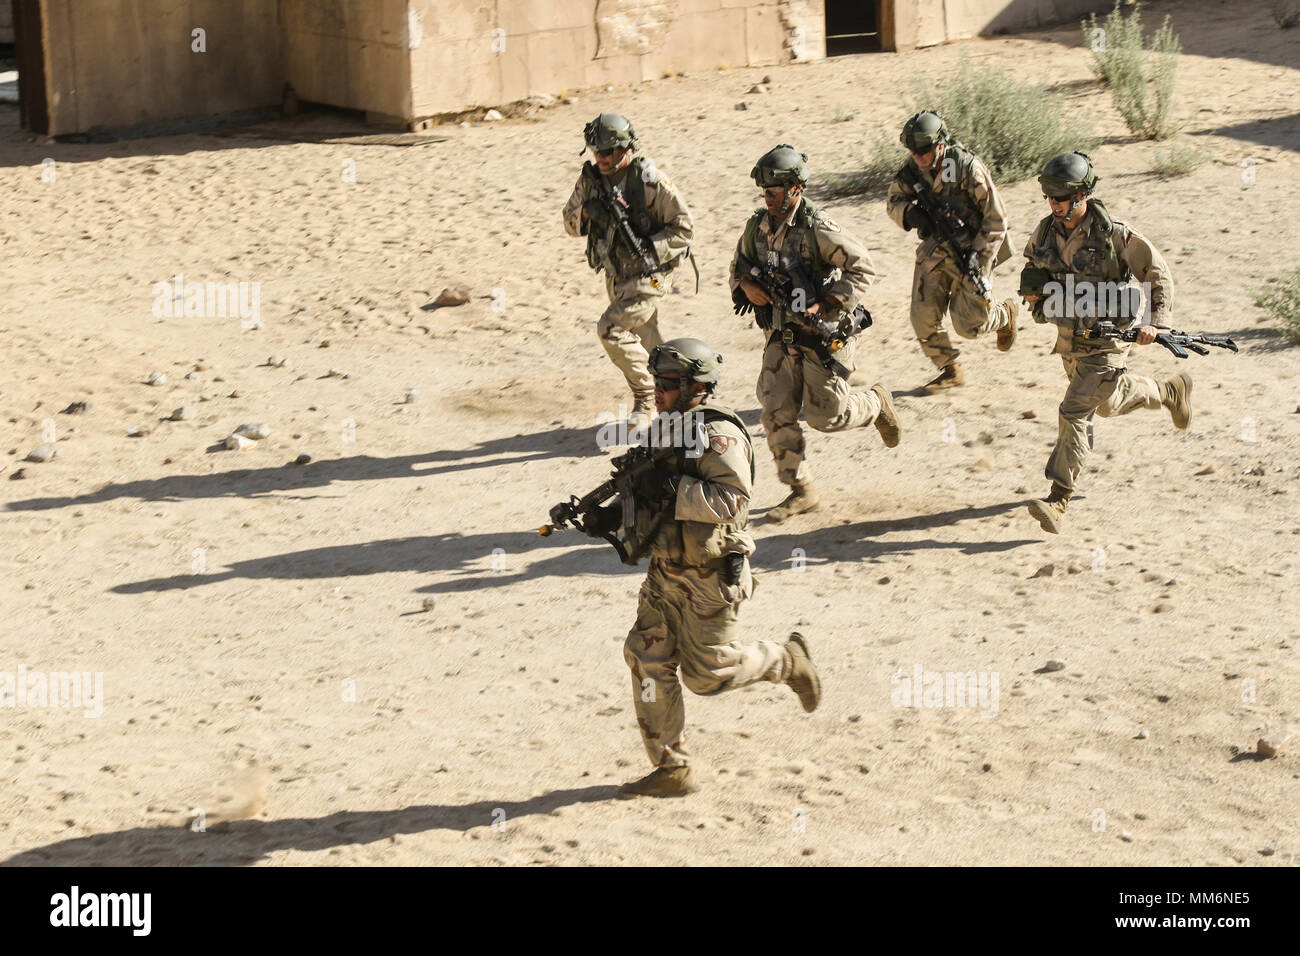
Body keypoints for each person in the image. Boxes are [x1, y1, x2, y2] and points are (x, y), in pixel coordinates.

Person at [581, 338, 821, 797]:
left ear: (696, 386)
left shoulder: (718, 435)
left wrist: (673, 487)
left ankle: (788, 661)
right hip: (664, 571)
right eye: (656, 382)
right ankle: (673, 768)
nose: (658, 391)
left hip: (709, 575)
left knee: (708, 676)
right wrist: (610, 516)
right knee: (645, 656)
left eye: (668, 383)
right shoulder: (666, 427)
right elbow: (648, 495)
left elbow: (732, 501)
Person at [1019, 152, 1191, 534]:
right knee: (1109, 404)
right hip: (1071, 337)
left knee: (1074, 410)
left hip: (1111, 339)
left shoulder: (1116, 235)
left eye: (1060, 196)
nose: (1052, 203)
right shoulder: (1046, 231)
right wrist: (1032, 288)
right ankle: (1167, 393)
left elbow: (1157, 275)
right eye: (1048, 195)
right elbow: (1032, 265)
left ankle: (1059, 498)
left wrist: (1156, 325)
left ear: (1081, 196)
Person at [730, 144, 900, 523]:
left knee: (827, 417)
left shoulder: (818, 228)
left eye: (773, 191)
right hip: (779, 334)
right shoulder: (757, 226)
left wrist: (827, 304)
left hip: (821, 335)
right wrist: (744, 286)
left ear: (795, 189)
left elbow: (862, 268)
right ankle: (801, 490)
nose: (767, 198)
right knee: (775, 412)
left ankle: (876, 403)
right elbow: (739, 264)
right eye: (764, 192)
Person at [562, 114, 694, 428]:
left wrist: (649, 248)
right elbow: (569, 223)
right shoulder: (590, 181)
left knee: (612, 330)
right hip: (616, 273)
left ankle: (646, 396)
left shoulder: (650, 180)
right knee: (647, 342)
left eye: (610, 152)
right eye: (597, 152)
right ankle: (683, 398)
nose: (603, 158)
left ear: (626, 148)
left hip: (650, 273)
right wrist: (588, 213)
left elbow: (684, 229)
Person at [885, 110, 1018, 392]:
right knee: (921, 316)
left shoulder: (968, 168)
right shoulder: (912, 171)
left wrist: (979, 254)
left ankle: (1004, 316)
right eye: (914, 150)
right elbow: (894, 201)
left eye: (925, 150)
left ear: (940, 143)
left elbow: (997, 219)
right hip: (935, 249)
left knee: (969, 326)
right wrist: (910, 214)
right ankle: (950, 369)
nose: (919, 156)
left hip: (973, 249)